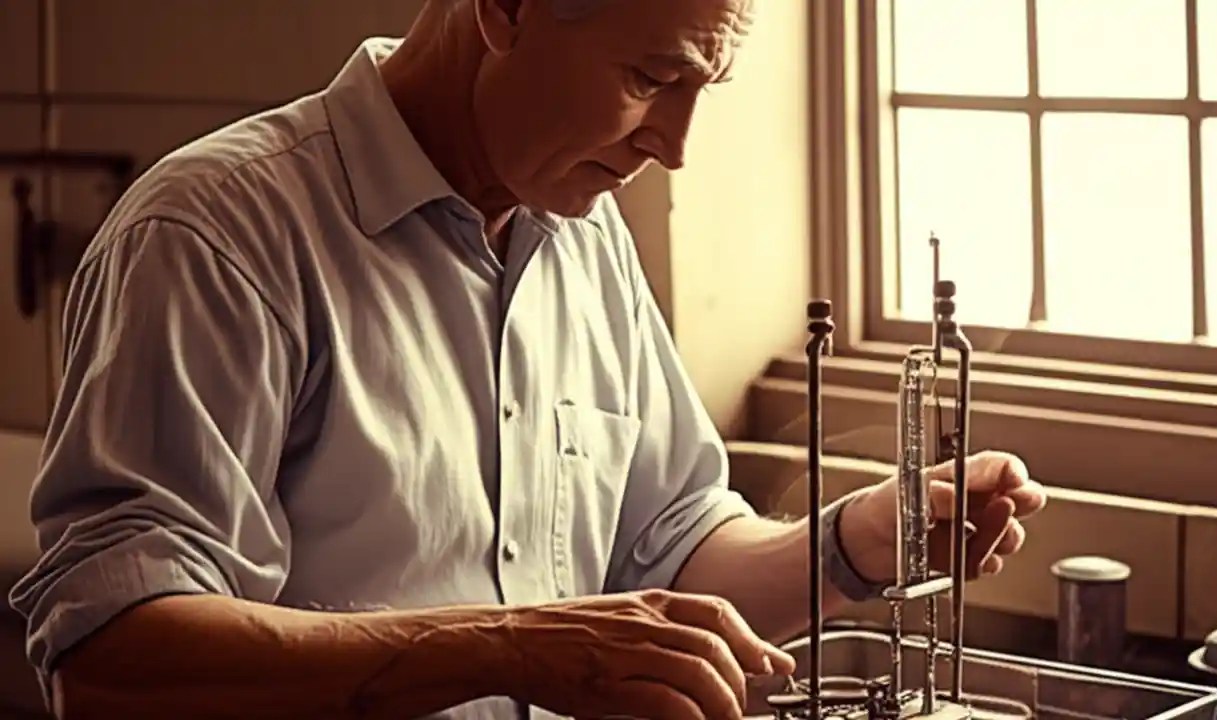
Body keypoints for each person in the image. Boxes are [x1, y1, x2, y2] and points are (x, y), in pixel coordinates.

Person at [8, 0, 1047, 718]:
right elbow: (113, 666)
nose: (674, 147)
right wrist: (513, 645)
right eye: (650, 77)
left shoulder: (582, 236)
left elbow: (670, 562)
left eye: (705, 87)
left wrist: (860, 544)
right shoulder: (215, 237)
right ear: (502, 7)